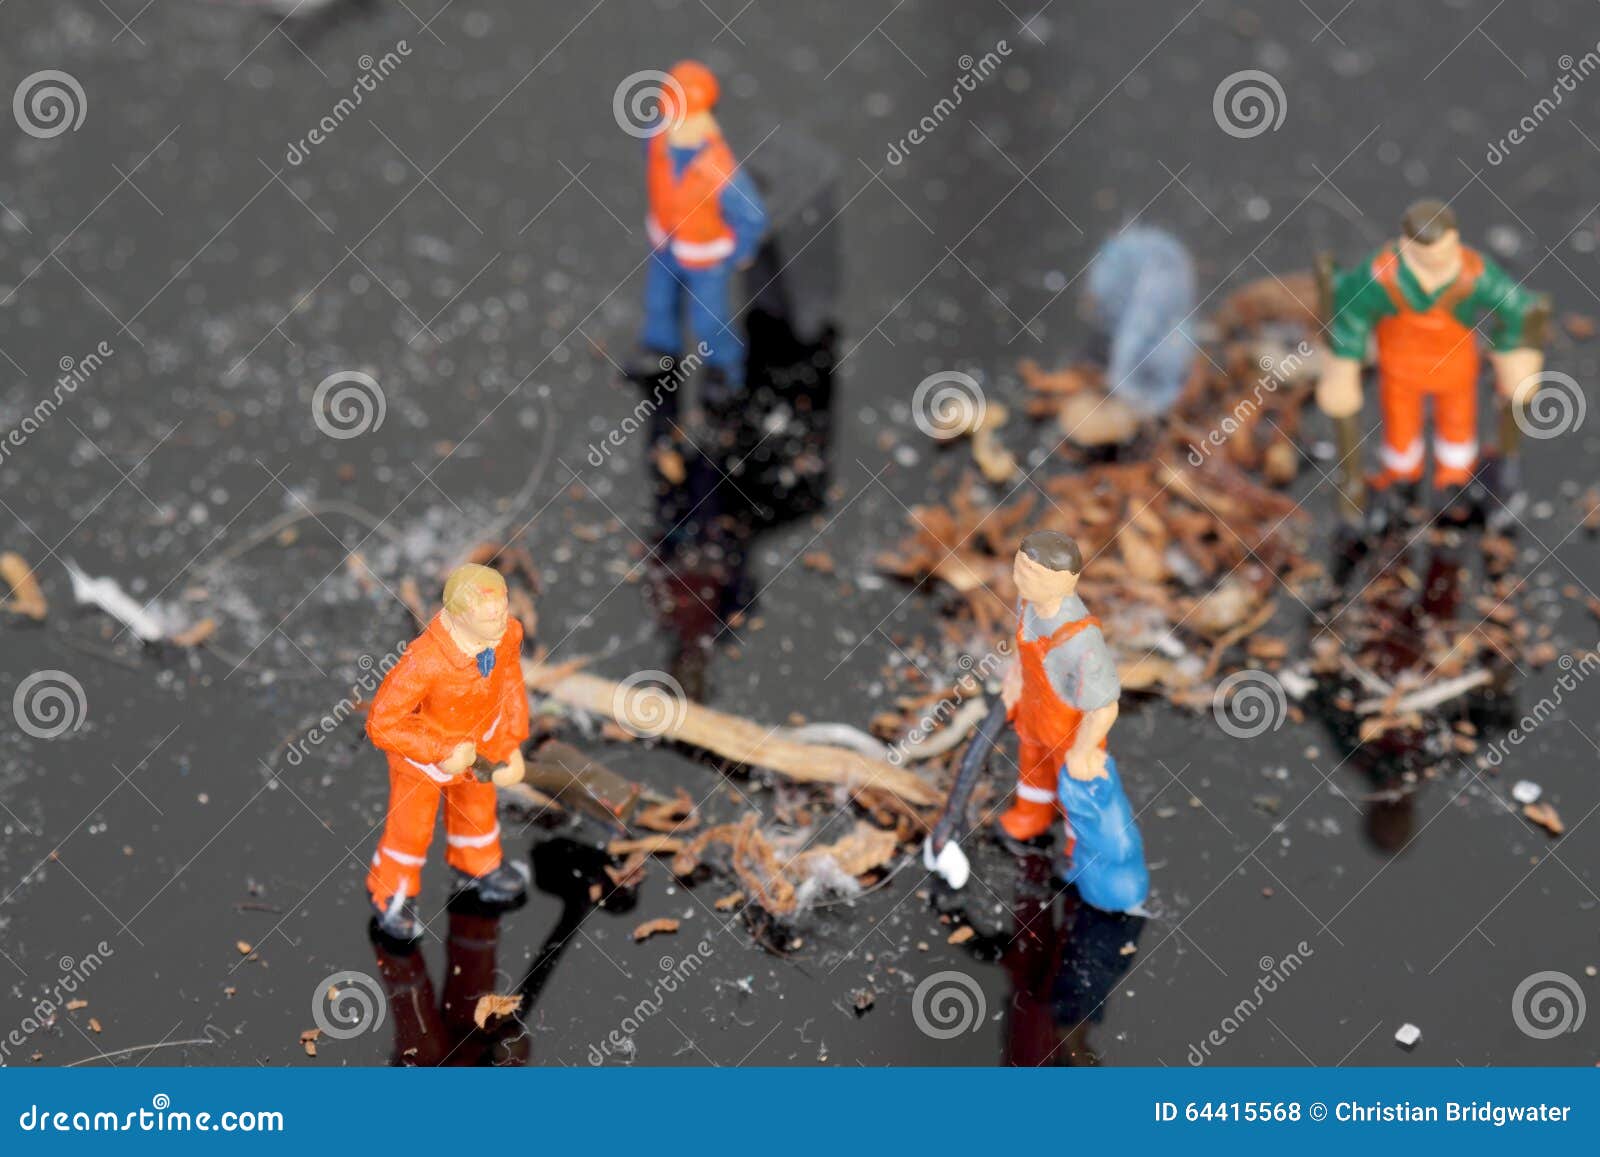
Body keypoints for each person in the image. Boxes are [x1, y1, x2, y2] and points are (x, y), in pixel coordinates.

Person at [1317, 200, 1546, 523]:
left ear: (1454, 240)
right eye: (1426, 254)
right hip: (1400, 369)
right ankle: (1400, 478)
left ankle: (1453, 480)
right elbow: (1350, 311)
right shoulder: (1383, 274)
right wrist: (1344, 361)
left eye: (1443, 251)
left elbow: (1516, 306)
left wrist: (1514, 351)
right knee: (1399, 425)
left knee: (1457, 425)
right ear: (1406, 244)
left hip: (1454, 370)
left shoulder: (1473, 273)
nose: (1437, 261)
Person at [365, 564, 529, 942]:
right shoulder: (424, 661)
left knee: (477, 811)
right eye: (490, 617)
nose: (501, 622)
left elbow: (510, 685)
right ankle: (393, 890)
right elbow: (383, 723)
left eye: (503, 611)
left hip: (482, 747)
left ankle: (478, 865)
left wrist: (511, 744)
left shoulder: (506, 637)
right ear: (458, 616)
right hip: (422, 763)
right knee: (411, 829)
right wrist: (438, 751)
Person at [1000, 531, 1147, 913]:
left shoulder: (1081, 640)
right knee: (1032, 771)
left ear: (1065, 581)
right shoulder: (1026, 603)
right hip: (1034, 713)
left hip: (1071, 731)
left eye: (1032, 572)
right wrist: (1013, 682)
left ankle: (1072, 847)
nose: (1022, 577)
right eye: (1020, 565)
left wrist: (1083, 752)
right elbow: (1020, 651)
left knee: (1072, 793)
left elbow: (1104, 707)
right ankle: (1030, 815)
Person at [638, 60, 767, 398]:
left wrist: (738, 253)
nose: (674, 125)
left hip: (706, 258)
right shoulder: (657, 141)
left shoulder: (718, 166)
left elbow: (752, 215)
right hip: (666, 245)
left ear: (704, 117)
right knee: (658, 303)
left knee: (710, 320)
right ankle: (659, 352)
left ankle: (725, 368)